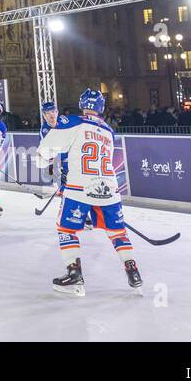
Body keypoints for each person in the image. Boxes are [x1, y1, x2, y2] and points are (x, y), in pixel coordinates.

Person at [37, 88, 140, 296]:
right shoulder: (109, 131)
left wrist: (46, 161)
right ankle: (133, 270)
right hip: (108, 188)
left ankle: (74, 274)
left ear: (82, 104)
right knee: (117, 232)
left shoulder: (73, 121)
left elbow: (44, 152)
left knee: (66, 229)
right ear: (101, 108)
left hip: (78, 189)